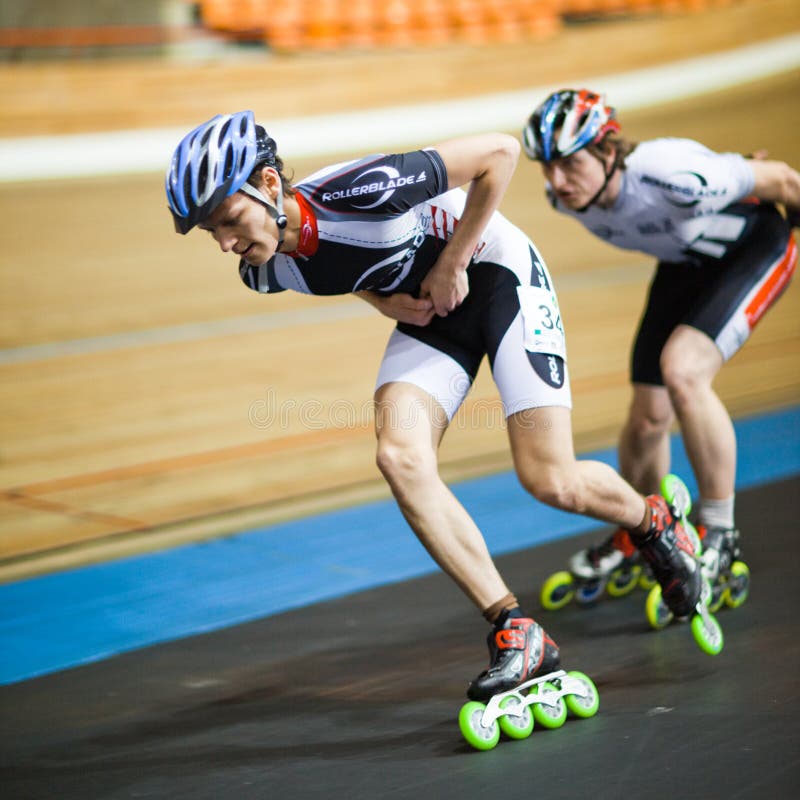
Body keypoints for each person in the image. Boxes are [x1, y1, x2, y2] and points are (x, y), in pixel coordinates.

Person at [166, 111, 703, 703]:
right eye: (208, 232)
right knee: (399, 456)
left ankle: (656, 525)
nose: (224, 243)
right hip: (433, 314)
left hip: (497, 277)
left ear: (268, 184)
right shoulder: (264, 270)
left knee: (552, 480)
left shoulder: (362, 190)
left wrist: (451, 263)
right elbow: (341, 266)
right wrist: (383, 304)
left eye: (228, 220)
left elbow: (500, 154)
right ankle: (516, 630)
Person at [522, 89, 799, 603]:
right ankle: (643, 529)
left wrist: (744, 178)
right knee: (648, 418)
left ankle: (721, 533)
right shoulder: (564, 198)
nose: (557, 181)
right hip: (684, 264)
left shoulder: (671, 174)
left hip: (755, 248)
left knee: (684, 372)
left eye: (569, 164)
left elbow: (782, 179)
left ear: (608, 150)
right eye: (547, 168)